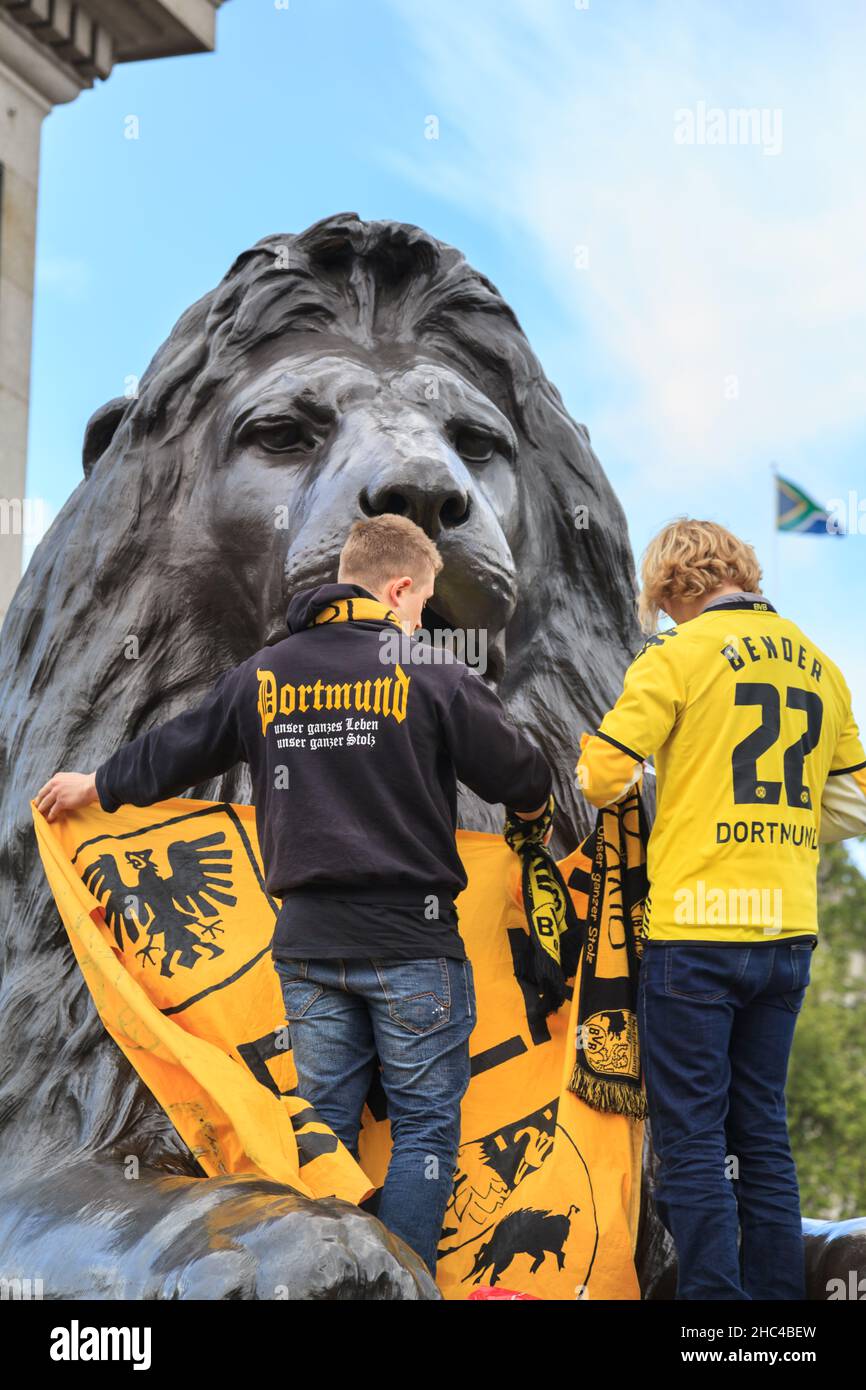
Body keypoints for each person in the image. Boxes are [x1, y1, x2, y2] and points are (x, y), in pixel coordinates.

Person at [35, 512, 552, 1278]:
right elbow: (524, 778)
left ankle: (318, 1288)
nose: (421, 619)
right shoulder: (429, 671)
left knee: (321, 1132)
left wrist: (97, 784)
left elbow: (179, 747)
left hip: (308, 949)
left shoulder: (267, 672)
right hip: (415, 945)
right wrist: (535, 827)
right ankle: (399, 1293)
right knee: (424, 1133)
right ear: (400, 586)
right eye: (423, 602)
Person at [575, 518, 866, 1301]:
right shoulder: (820, 664)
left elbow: (600, 776)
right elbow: (858, 799)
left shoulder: (678, 655)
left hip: (697, 934)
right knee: (763, 1135)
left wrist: (672, 795)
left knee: (694, 1141)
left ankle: (713, 1322)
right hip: (787, 934)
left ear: (673, 589)